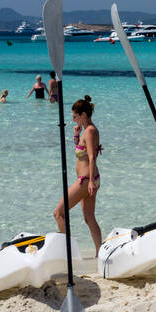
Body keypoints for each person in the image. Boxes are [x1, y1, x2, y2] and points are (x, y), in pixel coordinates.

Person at [55, 94, 103, 251]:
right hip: (92, 178)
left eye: (75, 117)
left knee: (59, 213)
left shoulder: (89, 131)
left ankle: (69, 253)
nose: (74, 120)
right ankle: (99, 253)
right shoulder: (89, 130)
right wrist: (76, 135)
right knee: (89, 218)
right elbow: (81, 151)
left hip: (85, 180)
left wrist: (89, 182)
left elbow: (91, 157)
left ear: (83, 114)